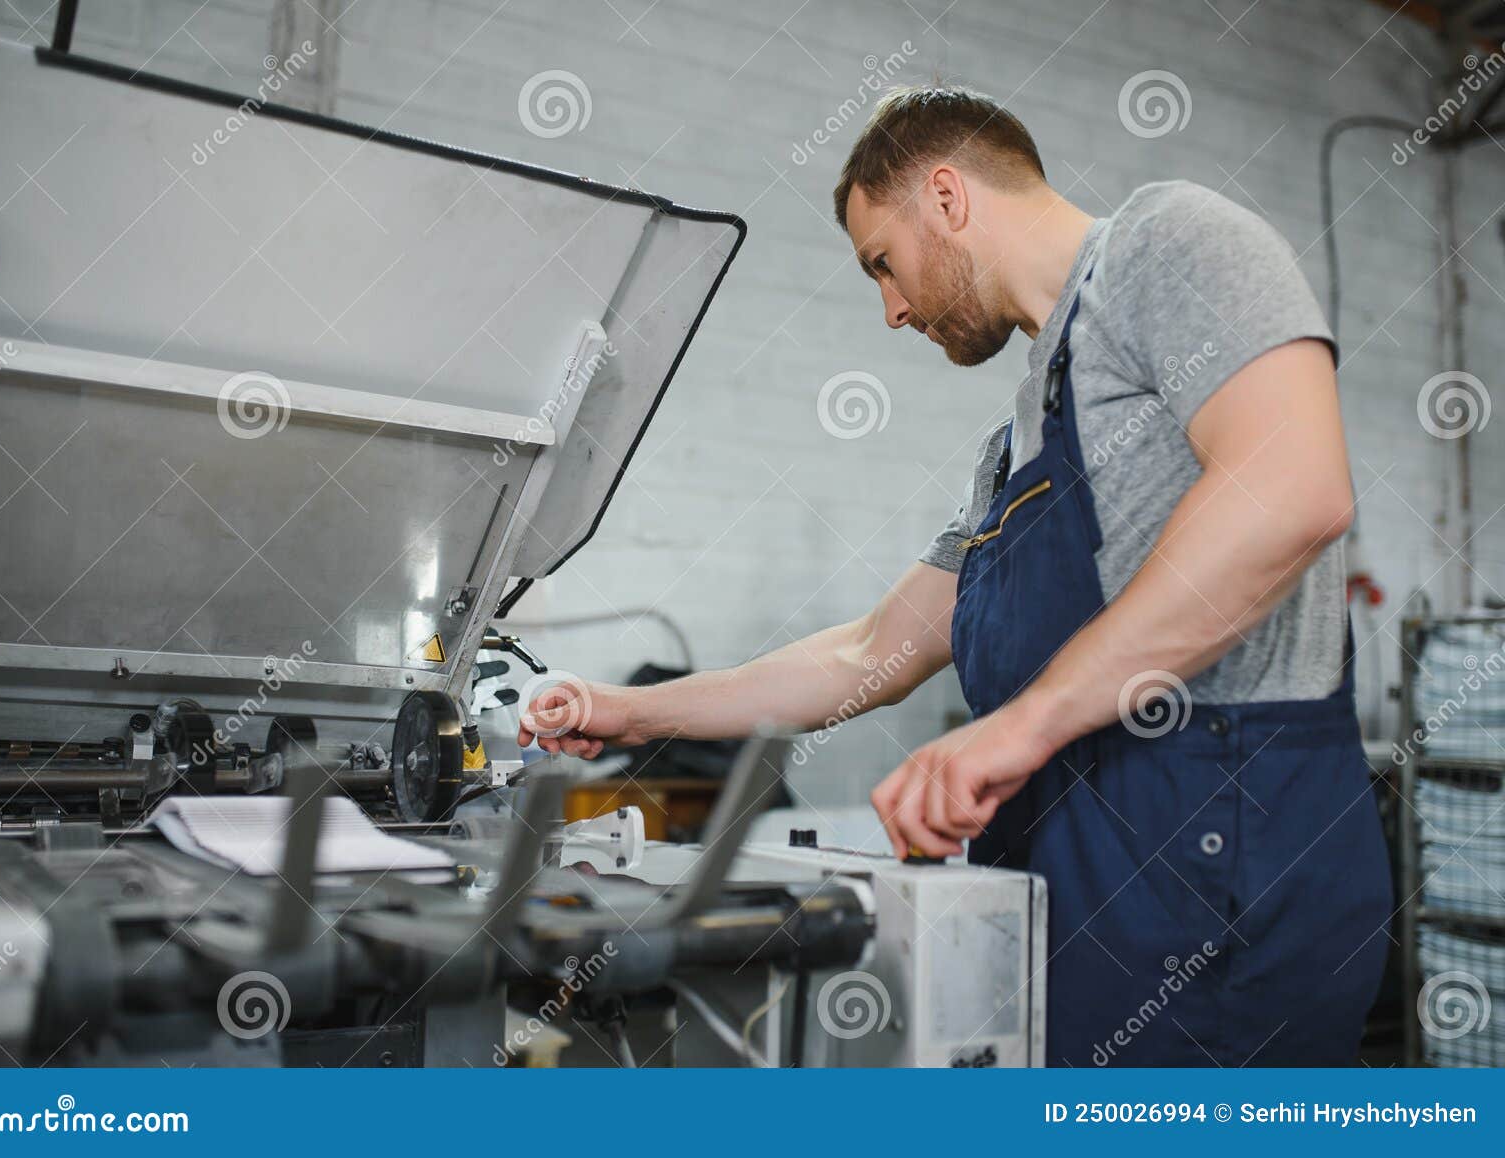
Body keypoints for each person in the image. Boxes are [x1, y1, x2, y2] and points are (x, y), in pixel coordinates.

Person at [517, 86, 1390, 1067]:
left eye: (882, 263)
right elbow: (868, 652)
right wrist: (633, 714)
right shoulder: (1009, 451)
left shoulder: (1169, 241)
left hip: (1217, 869)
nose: (891, 311)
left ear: (945, 196)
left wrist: (1020, 726)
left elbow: (1291, 488)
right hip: (1074, 888)